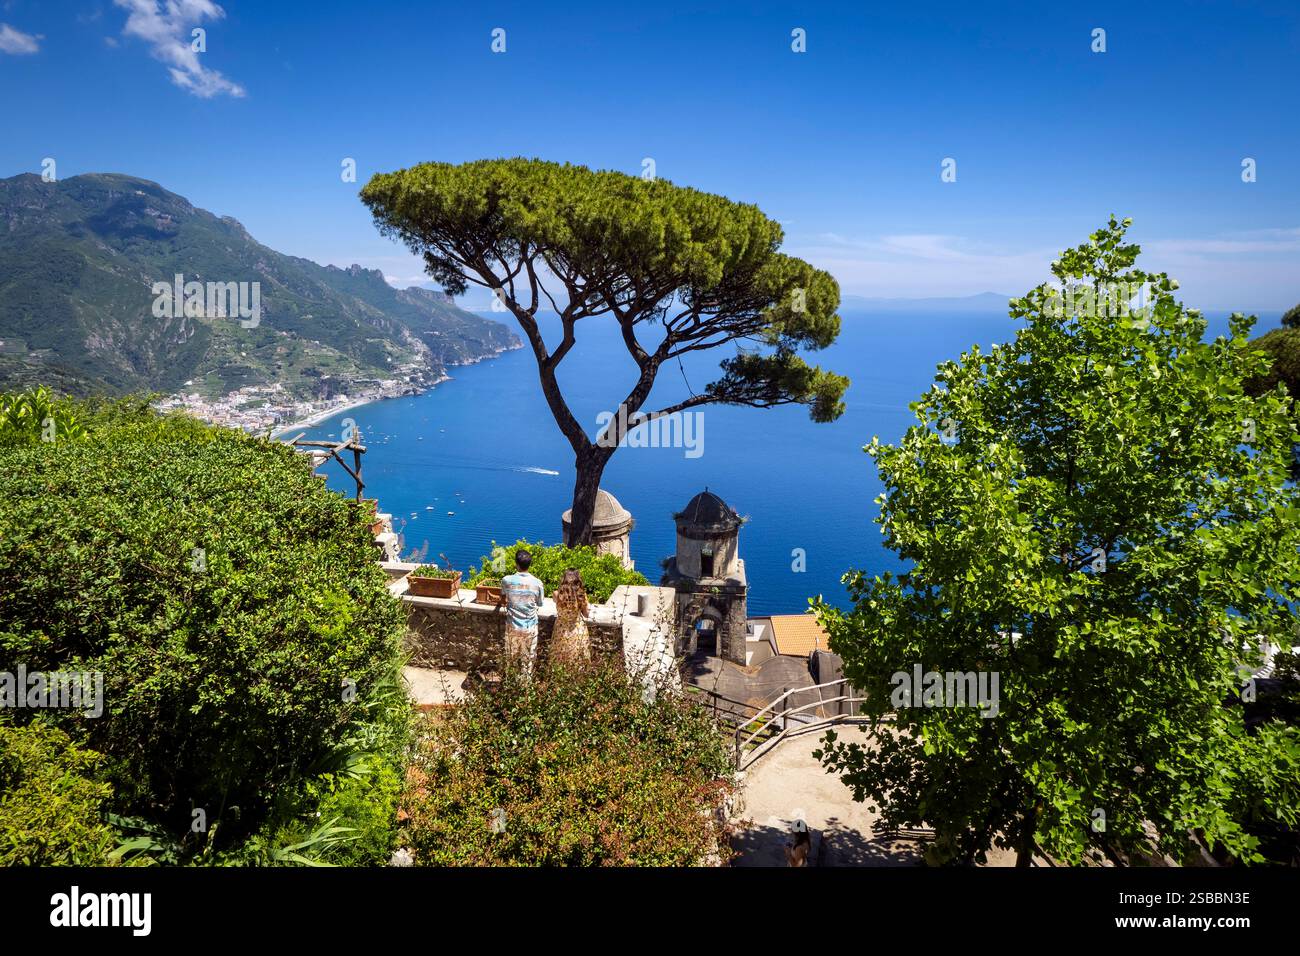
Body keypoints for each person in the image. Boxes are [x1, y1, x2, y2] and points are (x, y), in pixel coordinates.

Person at [500, 549, 544, 678]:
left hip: (512, 626)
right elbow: (540, 603)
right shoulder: (538, 583)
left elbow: (503, 598)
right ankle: (526, 688)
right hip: (530, 627)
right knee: (528, 659)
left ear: (516, 564)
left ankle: (510, 684)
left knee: (510, 658)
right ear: (529, 564)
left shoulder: (506, 580)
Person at [550, 568, 591, 669]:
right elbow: (586, 614)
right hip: (577, 629)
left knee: (559, 661)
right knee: (577, 662)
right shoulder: (581, 595)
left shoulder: (556, 594)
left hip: (561, 631)